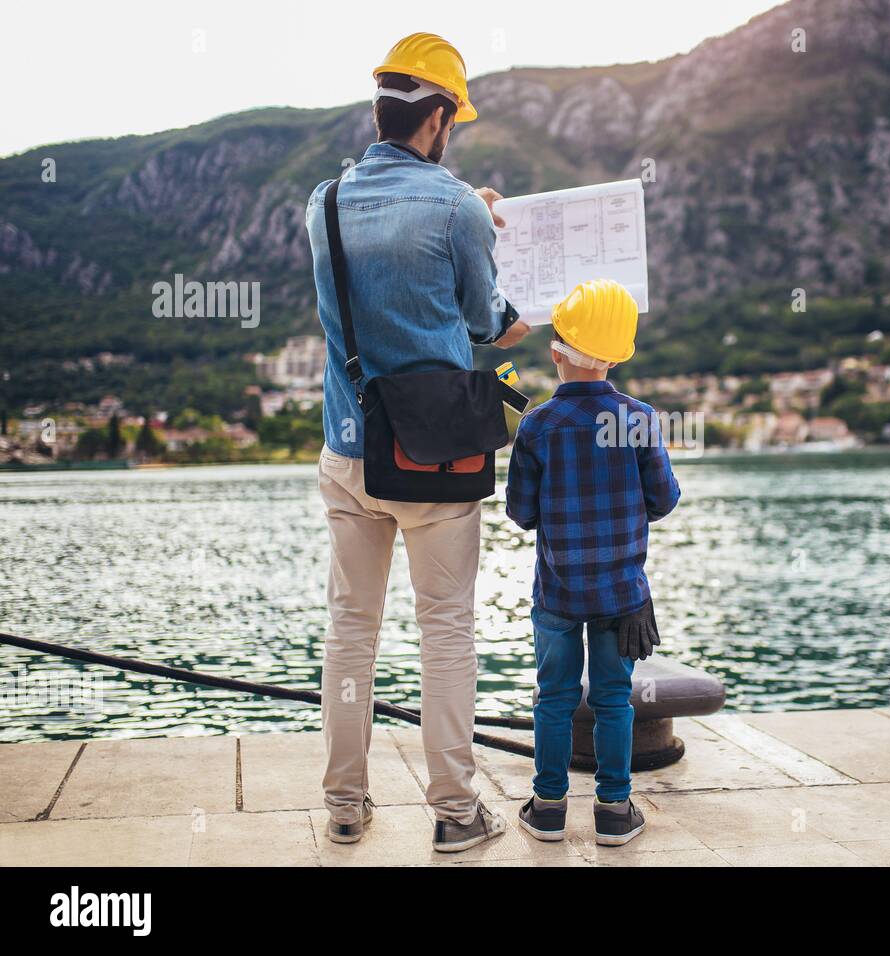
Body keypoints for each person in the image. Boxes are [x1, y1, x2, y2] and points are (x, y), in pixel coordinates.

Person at [304, 33, 530, 852]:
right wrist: (488, 235)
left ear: (379, 111)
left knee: (350, 631)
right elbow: (486, 325)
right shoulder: (457, 207)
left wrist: (475, 209)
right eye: (452, 120)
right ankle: (455, 813)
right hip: (435, 457)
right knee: (446, 632)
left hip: (349, 449)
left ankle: (343, 805)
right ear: (437, 115)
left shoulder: (320, 203)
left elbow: (381, 274)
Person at [505, 279, 680, 847]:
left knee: (553, 698)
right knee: (612, 699)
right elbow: (664, 500)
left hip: (556, 592)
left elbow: (522, 513)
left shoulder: (537, 425)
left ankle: (549, 808)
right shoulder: (639, 419)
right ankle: (613, 810)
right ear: (616, 355)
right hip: (621, 595)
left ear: (557, 351)